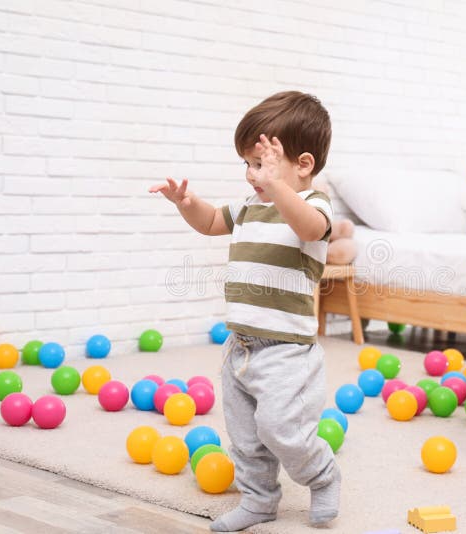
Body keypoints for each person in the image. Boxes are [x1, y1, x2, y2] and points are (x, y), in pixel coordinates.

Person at [149, 91, 341, 531]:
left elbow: (309, 228)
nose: (252, 176)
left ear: (303, 165)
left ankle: (322, 474)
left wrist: (276, 186)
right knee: (246, 438)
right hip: (241, 345)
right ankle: (259, 500)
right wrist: (186, 204)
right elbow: (212, 222)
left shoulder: (313, 207)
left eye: (261, 165)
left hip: (287, 351)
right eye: (248, 166)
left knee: (280, 429)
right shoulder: (250, 205)